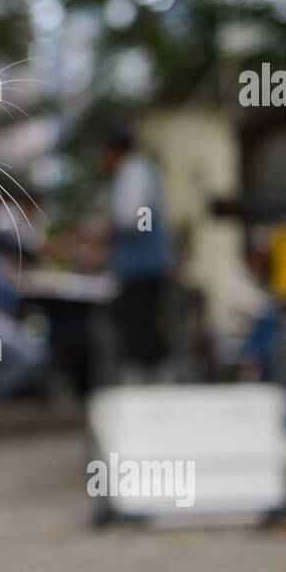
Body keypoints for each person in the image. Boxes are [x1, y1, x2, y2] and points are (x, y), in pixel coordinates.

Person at [101, 129, 174, 384]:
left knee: (141, 326)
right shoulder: (141, 170)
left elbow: (131, 217)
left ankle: (151, 383)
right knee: (144, 323)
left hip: (142, 266)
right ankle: (153, 378)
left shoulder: (133, 173)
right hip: (144, 264)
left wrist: (106, 232)